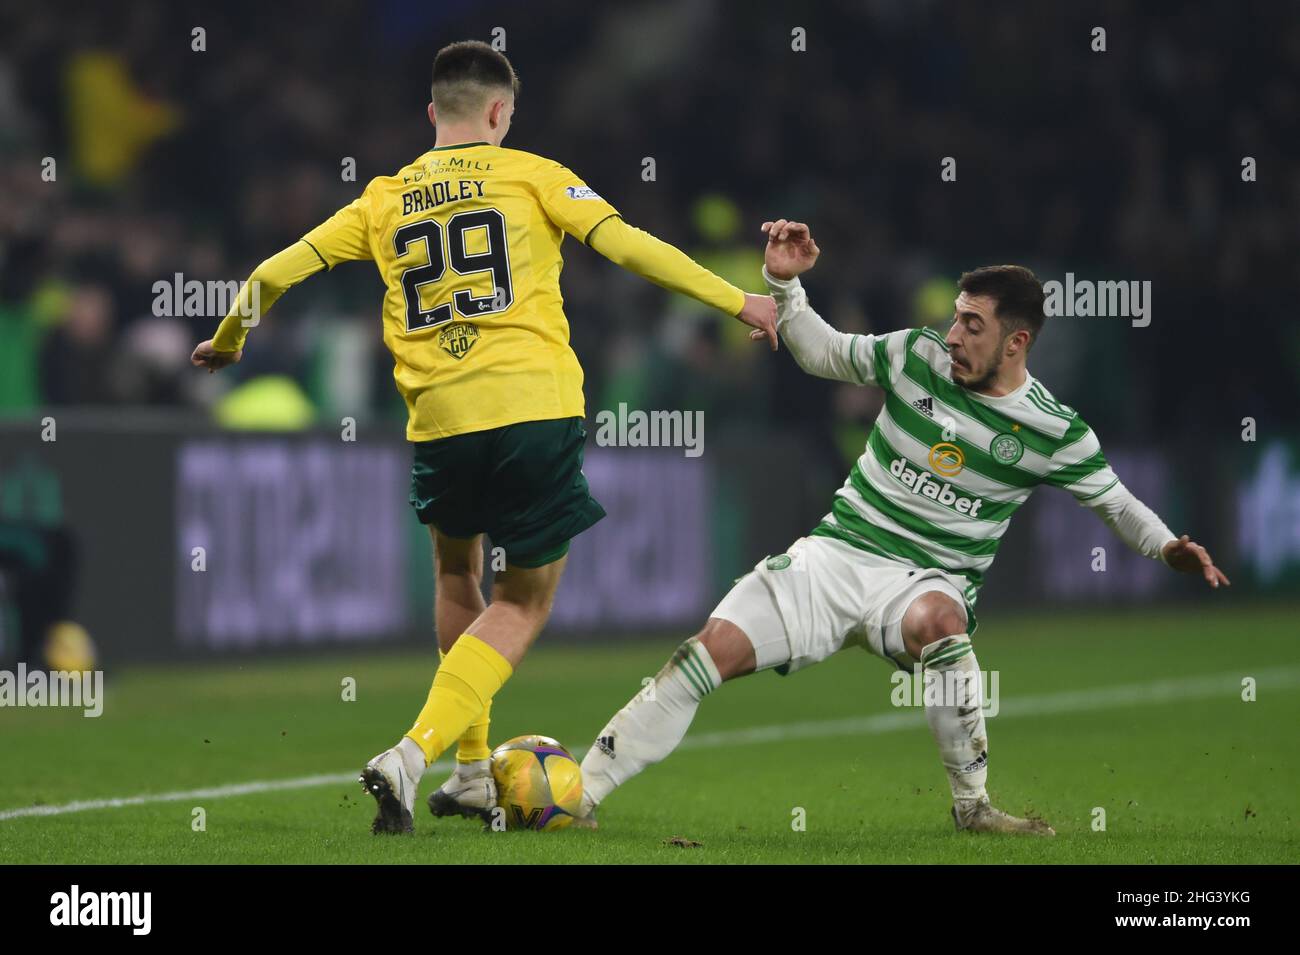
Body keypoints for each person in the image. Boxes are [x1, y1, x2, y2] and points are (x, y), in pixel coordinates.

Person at [191, 41, 777, 835]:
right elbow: (627, 244)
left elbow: (270, 276)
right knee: (523, 598)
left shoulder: (384, 198)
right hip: (532, 406)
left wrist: (229, 339)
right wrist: (736, 299)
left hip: (439, 418)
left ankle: (470, 771)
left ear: (434, 113)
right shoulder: (534, 173)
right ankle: (411, 752)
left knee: (454, 569)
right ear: (499, 112)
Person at [575, 219, 1229, 835]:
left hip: (924, 581)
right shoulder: (916, 356)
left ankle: (973, 806)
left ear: (1017, 341)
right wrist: (784, 285)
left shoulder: (1054, 430)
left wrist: (1167, 544)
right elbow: (823, 354)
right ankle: (579, 793)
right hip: (835, 556)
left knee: (943, 623)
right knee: (703, 654)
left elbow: (1114, 502)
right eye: (955, 318)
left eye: (973, 325)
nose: (954, 335)